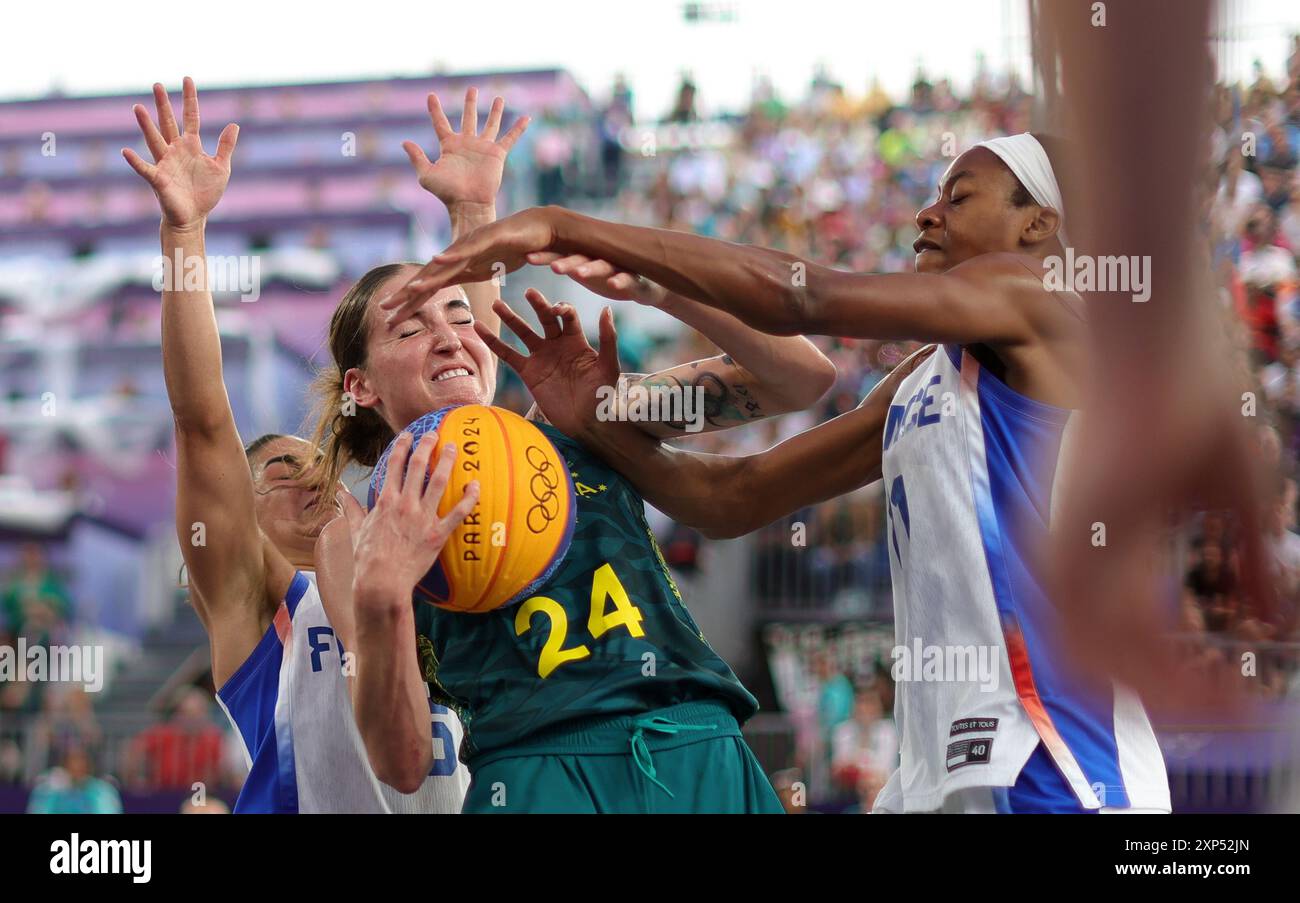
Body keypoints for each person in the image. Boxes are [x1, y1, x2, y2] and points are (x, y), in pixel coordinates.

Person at [403, 132, 1173, 813]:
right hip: (940, 766)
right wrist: (598, 420)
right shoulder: (923, 380)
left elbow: (804, 296)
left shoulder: (1043, 304)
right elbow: (734, 496)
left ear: (1038, 224)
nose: (926, 215)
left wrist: (570, 228)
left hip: (1057, 758)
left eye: (959, 196)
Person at [302, 225, 838, 814]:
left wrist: (663, 291)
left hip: (698, 745)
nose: (449, 339)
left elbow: (802, 378)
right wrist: (385, 596)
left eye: (459, 317)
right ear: (362, 385)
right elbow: (403, 764)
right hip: (533, 773)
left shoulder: (574, 416)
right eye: (409, 328)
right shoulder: (360, 535)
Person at [120, 77, 527, 812]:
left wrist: (473, 214)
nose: (312, 477)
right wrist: (184, 236)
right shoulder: (259, 603)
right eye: (279, 468)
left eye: (316, 463)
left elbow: (473, 395)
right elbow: (203, 421)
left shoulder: (412, 558)